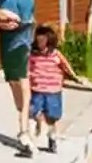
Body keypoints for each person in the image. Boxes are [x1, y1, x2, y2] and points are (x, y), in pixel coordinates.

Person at [0, 0, 36, 156]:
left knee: (23, 84)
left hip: (21, 45)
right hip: (6, 45)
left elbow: (23, 23)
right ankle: (29, 116)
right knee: (13, 83)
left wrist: (6, 21)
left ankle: (24, 130)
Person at [29, 25, 80, 154]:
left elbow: (66, 66)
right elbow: (27, 69)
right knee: (33, 112)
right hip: (37, 89)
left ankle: (53, 138)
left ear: (49, 40)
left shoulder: (56, 55)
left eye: (43, 40)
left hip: (53, 91)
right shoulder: (33, 55)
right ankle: (38, 128)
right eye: (38, 39)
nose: (39, 42)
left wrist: (75, 77)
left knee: (53, 116)